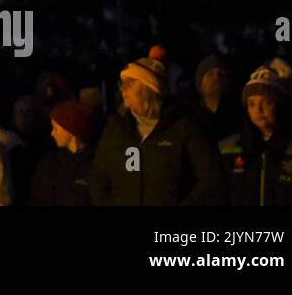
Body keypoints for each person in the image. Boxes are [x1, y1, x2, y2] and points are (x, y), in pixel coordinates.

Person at [90, 46, 226, 205]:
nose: (122, 89)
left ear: (149, 88)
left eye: (129, 83)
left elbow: (210, 180)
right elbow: (98, 179)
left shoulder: (183, 127)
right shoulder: (116, 128)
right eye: (122, 83)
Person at [218, 63, 292, 206]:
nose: (258, 110)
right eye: (251, 104)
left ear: (280, 105)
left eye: (267, 102)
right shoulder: (228, 149)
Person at [30, 100, 98, 205]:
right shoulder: (50, 164)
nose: (52, 133)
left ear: (70, 129)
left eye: (56, 129)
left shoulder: (97, 162)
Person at [192, 54, 241, 144]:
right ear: (200, 85)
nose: (217, 76)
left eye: (222, 73)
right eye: (210, 74)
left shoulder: (241, 119)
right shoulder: (191, 120)